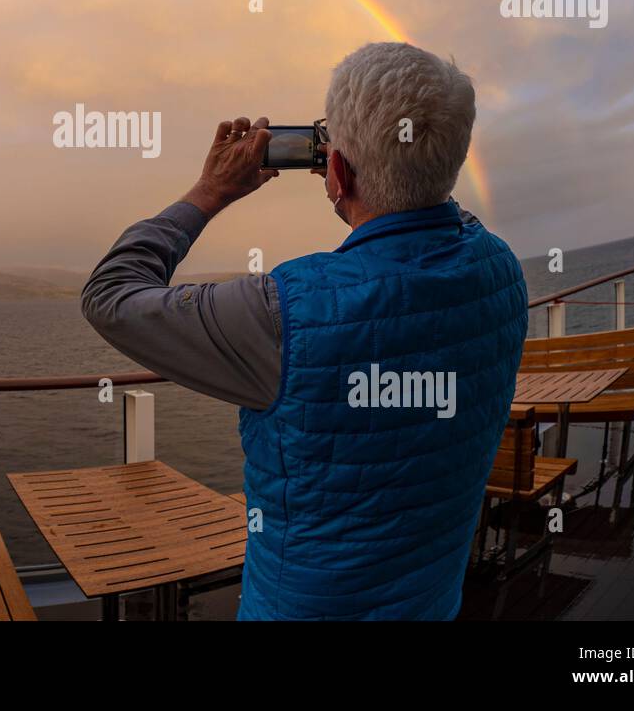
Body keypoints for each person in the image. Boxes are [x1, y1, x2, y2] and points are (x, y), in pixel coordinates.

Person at [81, 41, 528, 620]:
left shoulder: (284, 312)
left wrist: (211, 190)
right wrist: (379, 169)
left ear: (334, 169)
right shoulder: (500, 272)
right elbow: (441, 211)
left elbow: (111, 295)